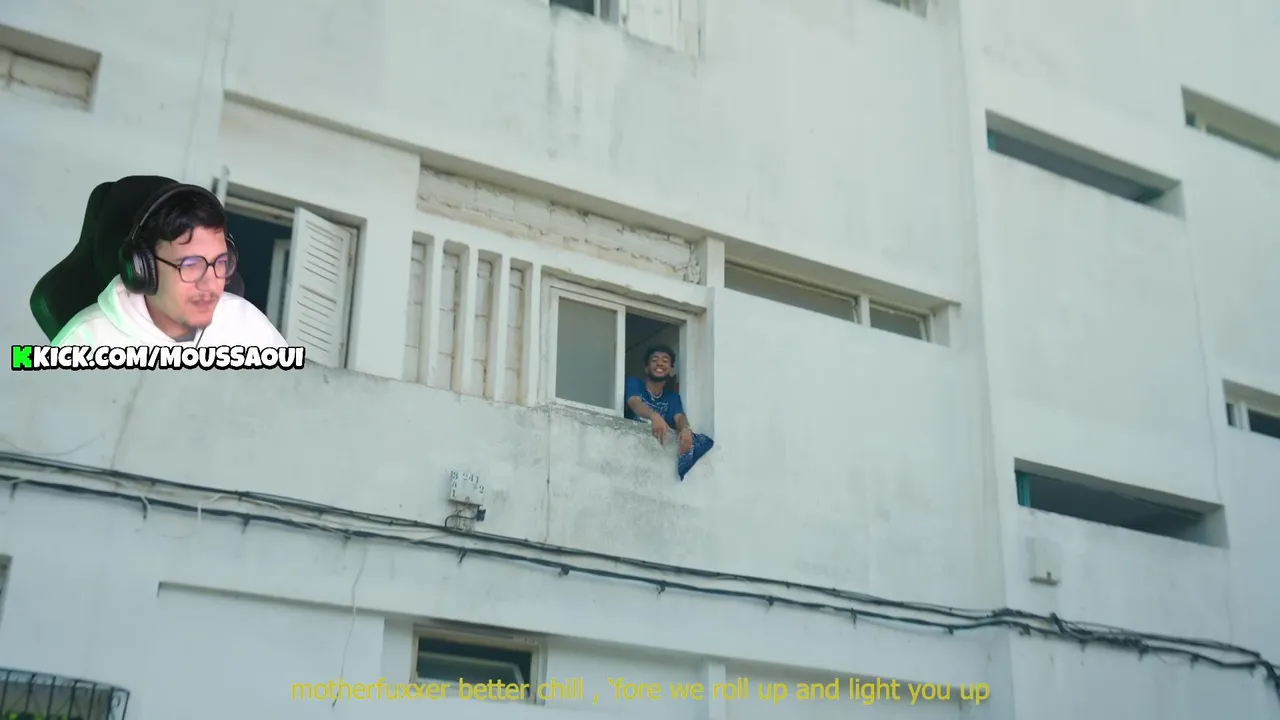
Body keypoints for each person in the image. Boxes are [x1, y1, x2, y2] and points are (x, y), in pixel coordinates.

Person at [52, 183, 287, 348]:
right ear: (144, 269)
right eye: (191, 264)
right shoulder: (84, 342)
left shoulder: (247, 326)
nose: (210, 284)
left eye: (221, 262)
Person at [624, 345, 715, 481]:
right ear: (646, 368)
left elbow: (679, 417)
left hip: (657, 466)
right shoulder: (634, 383)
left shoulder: (672, 398)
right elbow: (634, 402)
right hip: (629, 451)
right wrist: (654, 416)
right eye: (654, 360)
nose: (660, 363)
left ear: (671, 369)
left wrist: (685, 429)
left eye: (665, 360)